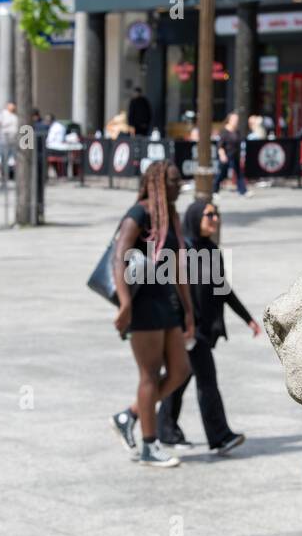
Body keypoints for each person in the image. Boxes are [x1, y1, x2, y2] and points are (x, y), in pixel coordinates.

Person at [157, 198, 261, 454]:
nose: (215, 219)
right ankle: (219, 436)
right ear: (194, 218)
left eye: (216, 214)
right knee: (207, 381)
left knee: (178, 379)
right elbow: (170, 290)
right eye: (209, 215)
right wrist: (179, 325)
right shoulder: (182, 251)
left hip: (203, 327)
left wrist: (247, 318)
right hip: (189, 329)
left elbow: (222, 288)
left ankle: (164, 430)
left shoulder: (212, 251)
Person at [110, 161, 194, 468]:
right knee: (149, 374)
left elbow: (179, 268)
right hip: (142, 304)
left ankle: (130, 415)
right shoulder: (140, 214)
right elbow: (118, 259)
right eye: (173, 180)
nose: (178, 185)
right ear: (157, 182)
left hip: (166, 302)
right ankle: (148, 446)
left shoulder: (171, 215)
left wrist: (188, 311)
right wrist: (124, 303)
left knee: (181, 370)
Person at [215, 112, 248, 197]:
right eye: (234, 120)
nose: (236, 121)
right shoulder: (224, 131)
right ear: (229, 120)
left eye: (237, 120)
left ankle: (242, 191)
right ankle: (214, 190)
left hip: (235, 155)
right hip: (226, 155)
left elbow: (239, 145)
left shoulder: (237, 131)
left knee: (239, 173)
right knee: (221, 174)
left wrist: (241, 156)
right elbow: (220, 145)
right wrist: (222, 155)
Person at [0, 101, 19, 180]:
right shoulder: (2, 114)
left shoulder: (16, 115)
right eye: (11, 106)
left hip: (15, 140)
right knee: (4, 158)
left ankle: (15, 175)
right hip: (4, 140)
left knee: (16, 158)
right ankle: (4, 175)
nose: (13, 107)